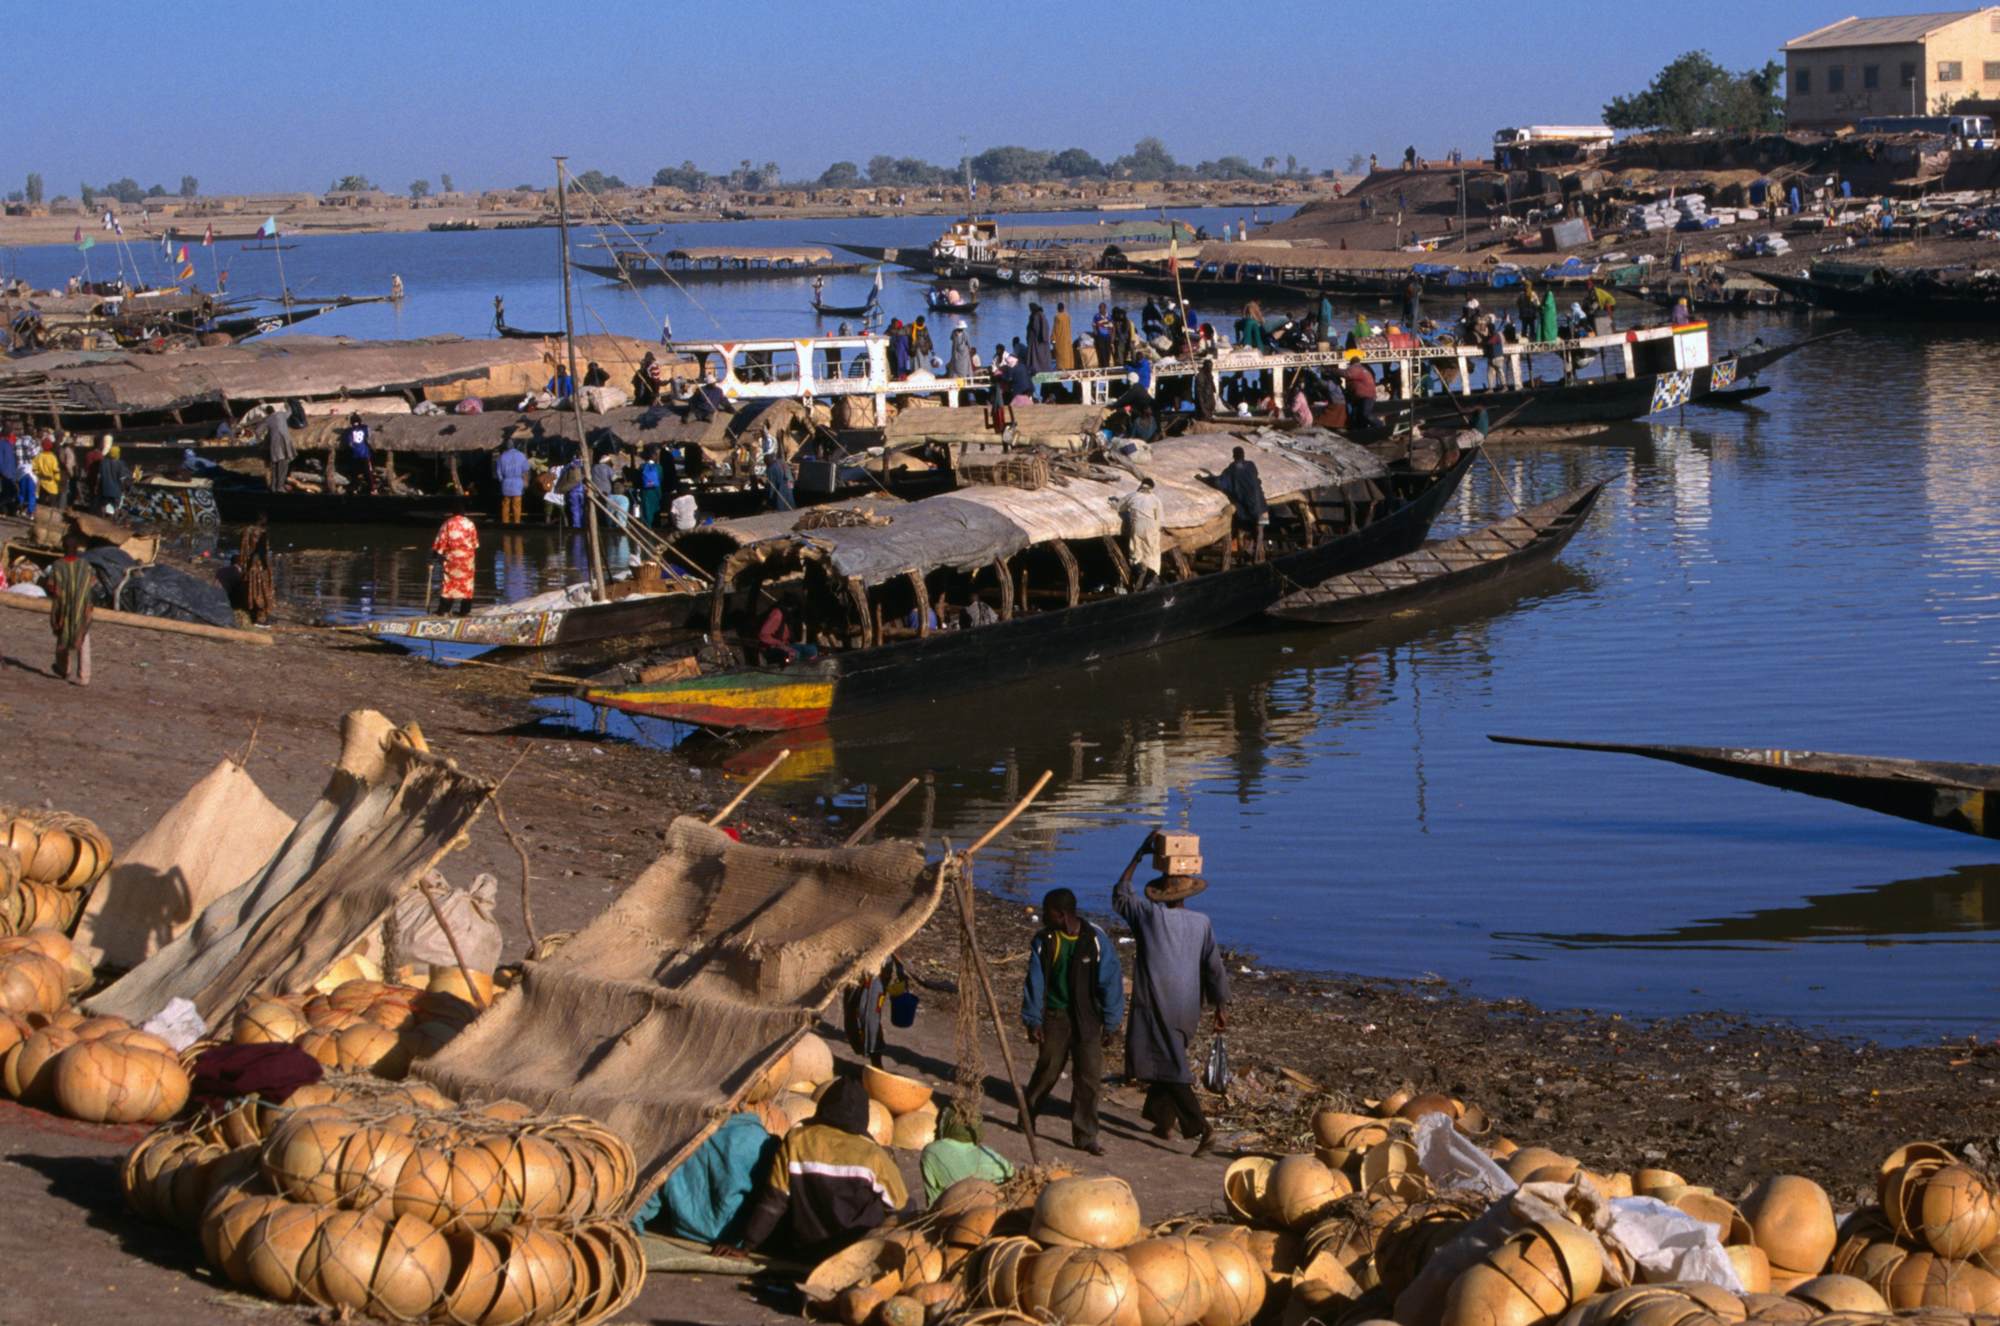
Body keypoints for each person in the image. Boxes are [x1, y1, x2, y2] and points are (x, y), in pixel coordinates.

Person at [1112, 835, 1229, 1156]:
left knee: (1172, 1066)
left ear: (1161, 894)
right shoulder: (1202, 923)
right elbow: (1213, 967)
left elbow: (1121, 893)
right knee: (1167, 1056)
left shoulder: (1150, 916)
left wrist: (1137, 855)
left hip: (1157, 1003)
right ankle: (1162, 1121)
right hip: (1188, 1007)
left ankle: (1201, 1129)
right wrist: (1220, 1004)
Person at [732, 1078, 908, 1261]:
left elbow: (773, 1200)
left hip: (804, 1249)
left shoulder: (796, 1140)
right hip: (853, 1256)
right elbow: (902, 1208)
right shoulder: (874, 1155)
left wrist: (747, 1245)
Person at [1020, 887, 1124, 1155]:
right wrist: (1033, 1020)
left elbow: (1110, 982)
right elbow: (1035, 982)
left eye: (1048, 912)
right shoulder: (1044, 941)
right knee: (1048, 1070)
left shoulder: (1096, 940)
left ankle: (1086, 1135)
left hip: (1088, 1019)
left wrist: (1112, 1023)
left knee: (1088, 1078)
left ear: (1062, 914)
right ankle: (1028, 1116)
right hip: (1055, 1017)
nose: (1044, 917)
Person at [919, 1101, 1014, 1204]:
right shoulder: (992, 1156)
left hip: (953, 1215)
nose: (935, 1130)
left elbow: (933, 1202)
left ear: (945, 1126)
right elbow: (1012, 1178)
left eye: (938, 1125)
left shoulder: (931, 1152)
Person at [44, 530, 95, 686]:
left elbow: (52, 586)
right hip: (82, 607)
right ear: (78, 548)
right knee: (84, 638)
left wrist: (62, 594)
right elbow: (92, 582)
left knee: (62, 636)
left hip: (64, 607)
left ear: (63, 547)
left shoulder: (58, 565)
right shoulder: (85, 565)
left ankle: (63, 668)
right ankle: (84, 676)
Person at [1216, 446, 1268, 561]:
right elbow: (1255, 477)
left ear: (1234, 456)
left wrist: (1207, 479)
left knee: (1248, 527)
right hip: (1263, 507)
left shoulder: (1232, 469)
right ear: (1244, 455)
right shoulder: (1251, 465)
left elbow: (1221, 483)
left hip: (1249, 510)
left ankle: (1252, 556)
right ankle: (1258, 556)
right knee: (1260, 531)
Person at [431, 503, 479, 616]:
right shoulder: (470, 524)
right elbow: (475, 544)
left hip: (452, 559)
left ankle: (443, 610)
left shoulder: (448, 523)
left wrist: (433, 557)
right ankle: (465, 611)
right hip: (467, 559)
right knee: (467, 584)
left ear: (453, 513)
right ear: (464, 513)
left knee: (449, 584)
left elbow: (439, 543)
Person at [239, 515, 275, 625]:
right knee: (261, 590)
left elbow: (244, 551)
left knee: (253, 588)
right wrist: (265, 566)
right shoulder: (261, 533)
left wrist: (245, 566)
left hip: (250, 565)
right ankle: (260, 617)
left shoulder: (246, 531)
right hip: (259, 565)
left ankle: (254, 613)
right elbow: (262, 551)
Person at [494, 437, 530, 525]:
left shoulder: (501, 457)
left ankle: (505, 523)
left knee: (506, 504)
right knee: (517, 504)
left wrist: (502, 480)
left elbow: (498, 472)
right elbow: (526, 469)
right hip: (518, 482)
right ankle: (517, 522)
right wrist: (525, 481)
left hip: (506, 482)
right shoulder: (521, 455)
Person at [342, 413, 376, 497]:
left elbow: (349, 443)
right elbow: (369, 436)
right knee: (368, 472)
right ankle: (372, 489)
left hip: (355, 454)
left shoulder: (348, 431)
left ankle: (355, 488)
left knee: (355, 473)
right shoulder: (365, 428)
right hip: (365, 453)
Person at [264, 404, 295, 492]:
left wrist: (265, 438)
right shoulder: (281, 414)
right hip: (284, 446)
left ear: (267, 412)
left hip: (274, 447)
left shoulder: (267, 419)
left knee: (274, 467)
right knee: (283, 467)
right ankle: (280, 487)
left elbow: (258, 431)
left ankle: (273, 487)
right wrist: (287, 405)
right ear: (274, 410)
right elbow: (290, 411)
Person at [95, 444, 130, 515]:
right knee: (116, 507)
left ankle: (102, 519)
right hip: (116, 490)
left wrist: (96, 486)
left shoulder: (103, 462)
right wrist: (124, 489)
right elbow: (122, 479)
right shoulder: (120, 464)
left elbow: (99, 476)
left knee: (103, 505)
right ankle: (113, 520)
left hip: (104, 489)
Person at [638, 448, 664, 527]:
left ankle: (647, 528)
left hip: (646, 493)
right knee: (656, 510)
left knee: (646, 512)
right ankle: (656, 527)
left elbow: (639, 480)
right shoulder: (659, 467)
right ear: (654, 456)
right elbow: (661, 479)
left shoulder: (642, 467)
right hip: (656, 492)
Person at [31, 440, 59, 510]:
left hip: (42, 482)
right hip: (52, 483)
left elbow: (34, 468)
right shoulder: (53, 457)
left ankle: (40, 515)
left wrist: (40, 475)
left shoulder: (39, 456)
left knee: (41, 502)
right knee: (53, 503)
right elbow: (56, 470)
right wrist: (57, 479)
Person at [764, 447, 794, 512]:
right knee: (790, 498)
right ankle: (791, 509)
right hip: (790, 482)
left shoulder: (771, 468)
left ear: (768, 461)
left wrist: (769, 497)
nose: (766, 464)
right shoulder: (781, 461)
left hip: (782, 485)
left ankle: (783, 511)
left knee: (781, 502)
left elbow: (772, 485)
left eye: (766, 462)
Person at [1052, 302, 1075, 372]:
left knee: (1060, 353)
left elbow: (1055, 329)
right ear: (1063, 308)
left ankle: (1061, 367)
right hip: (1067, 338)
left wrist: (1053, 339)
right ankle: (1069, 366)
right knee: (1067, 352)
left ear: (1058, 308)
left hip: (1060, 339)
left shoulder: (1057, 317)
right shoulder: (1068, 316)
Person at [1091, 302, 1112, 372]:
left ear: (1105, 308)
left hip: (1108, 336)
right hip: (1100, 337)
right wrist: (1095, 333)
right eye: (1099, 308)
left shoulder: (1109, 316)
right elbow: (1093, 325)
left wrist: (1112, 335)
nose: (1100, 309)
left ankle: (1107, 365)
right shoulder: (1096, 316)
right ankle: (1103, 366)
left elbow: (1112, 327)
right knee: (1101, 351)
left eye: (1101, 308)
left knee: (1108, 351)